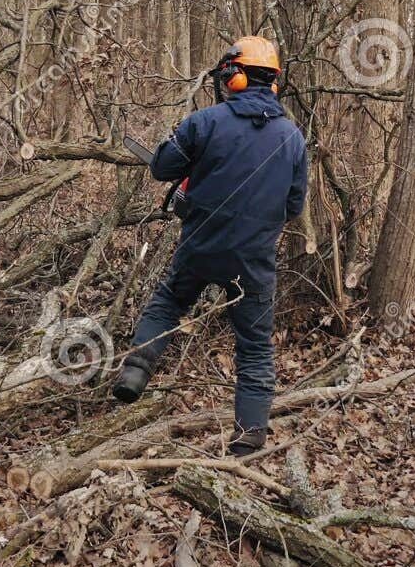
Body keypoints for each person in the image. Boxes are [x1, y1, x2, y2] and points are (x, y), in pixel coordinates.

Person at [111, 35, 308, 456]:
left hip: (201, 246)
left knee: (168, 302)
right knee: (254, 347)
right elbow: (293, 205)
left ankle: (136, 370)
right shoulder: (292, 137)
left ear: (234, 77)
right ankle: (249, 437)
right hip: (254, 260)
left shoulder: (204, 122)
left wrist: (192, 184)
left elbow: (162, 168)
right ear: (272, 83)